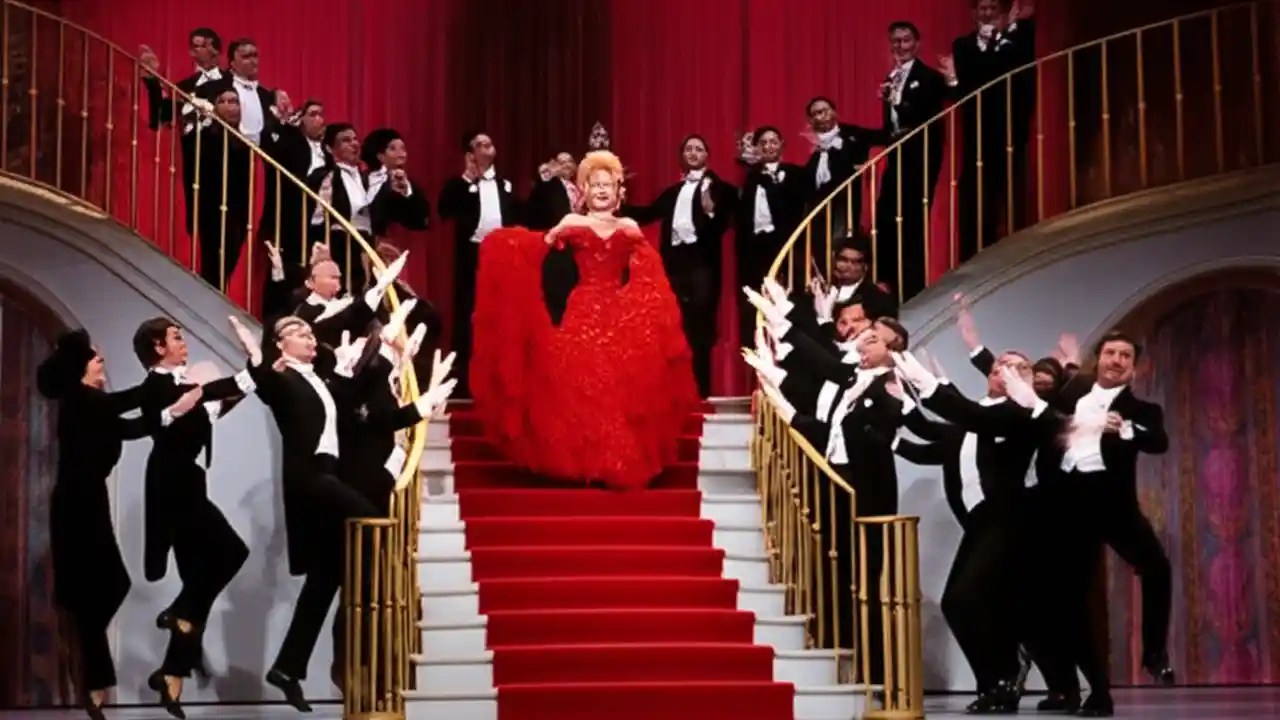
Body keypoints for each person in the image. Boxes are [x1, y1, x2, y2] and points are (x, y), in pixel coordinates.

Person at [469, 150, 699, 490]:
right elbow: (537, 248)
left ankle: (612, 461)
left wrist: (642, 309)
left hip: (620, 312)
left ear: (618, 191)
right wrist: (504, 247)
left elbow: (650, 273)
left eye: (608, 185)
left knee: (617, 383)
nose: (602, 190)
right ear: (584, 191)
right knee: (579, 381)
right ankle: (582, 463)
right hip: (583, 307)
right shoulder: (571, 223)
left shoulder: (629, 227)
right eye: (595, 184)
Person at [36, 330, 201, 720]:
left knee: (103, 591)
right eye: (97, 360)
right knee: (102, 589)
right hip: (77, 503)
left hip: (86, 500)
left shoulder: (90, 403)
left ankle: (92, 670)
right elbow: (130, 414)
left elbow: (129, 417)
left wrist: (170, 401)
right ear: (81, 369)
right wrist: (171, 401)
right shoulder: (84, 401)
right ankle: (93, 673)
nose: (103, 363)